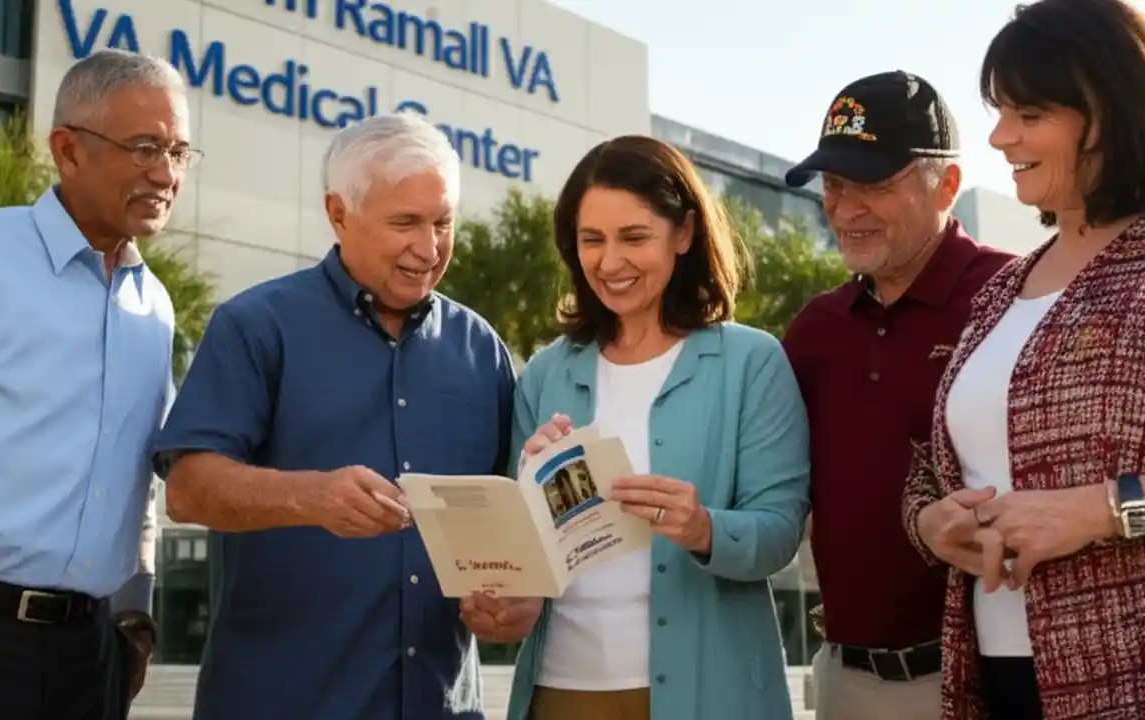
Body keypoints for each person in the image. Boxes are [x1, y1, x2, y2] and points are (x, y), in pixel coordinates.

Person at [152, 112, 516, 720]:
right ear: (338, 213)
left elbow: (512, 516)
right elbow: (188, 490)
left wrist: (514, 597)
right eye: (405, 223)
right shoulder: (256, 326)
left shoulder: (482, 350)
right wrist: (311, 497)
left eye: (443, 222)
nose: (428, 249)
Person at [904, 0, 1145, 717]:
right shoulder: (1004, 287)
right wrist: (931, 525)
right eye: (1000, 111)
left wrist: (1103, 510)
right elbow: (932, 466)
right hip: (994, 677)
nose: (1001, 137)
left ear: (1109, 111)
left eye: (1029, 115)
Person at [460, 135, 812, 720]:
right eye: (591, 239)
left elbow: (778, 533)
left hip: (711, 691)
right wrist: (506, 601)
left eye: (634, 237)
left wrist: (703, 528)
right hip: (562, 689)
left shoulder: (752, 362)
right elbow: (520, 556)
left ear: (684, 233)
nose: (610, 261)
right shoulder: (546, 372)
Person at [0, 48, 190, 718]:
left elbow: (141, 484)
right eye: (145, 147)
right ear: (67, 150)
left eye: (180, 151)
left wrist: (135, 625)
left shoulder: (152, 306)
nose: (166, 173)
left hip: (88, 659)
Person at [780, 71, 1015, 720]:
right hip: (842, 681)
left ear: (946, 185)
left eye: (874, 186)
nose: (845, 209)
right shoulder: (814, 331)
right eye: (833, 185)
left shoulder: (1012, 298)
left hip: (982, 680)